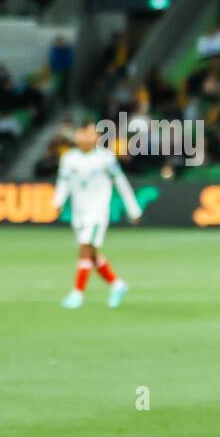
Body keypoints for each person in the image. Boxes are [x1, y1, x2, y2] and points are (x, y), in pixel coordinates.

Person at [54, 123, 142, 309]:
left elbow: (121, 182)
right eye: (82, 133)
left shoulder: (105, 158)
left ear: (96, 138)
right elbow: (63, 182)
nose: (85, 137)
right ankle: (118, 285)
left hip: (97, 212)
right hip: (79, 212)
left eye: (90, 134)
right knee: (92, 255)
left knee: (85, 249)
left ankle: (77, 293)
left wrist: (133, 209)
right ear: (76, 136)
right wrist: (58, 202)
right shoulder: (69, 158)